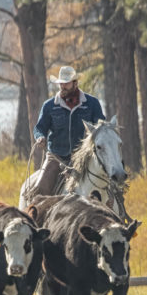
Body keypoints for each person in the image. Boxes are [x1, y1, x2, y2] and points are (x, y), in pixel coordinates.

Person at [30, 65, 106, 196]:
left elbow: (101, 128)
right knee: (40, 188)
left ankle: (115, 205)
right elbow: (39, 128)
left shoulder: (92, 103)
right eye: (61, 83)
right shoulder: (49, 106)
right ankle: (36, 208)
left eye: (66, 83)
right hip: (56, 157)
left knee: (108, 182)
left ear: (75, 83)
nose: (63, 86)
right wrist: (40, 137)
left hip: (84, 157)